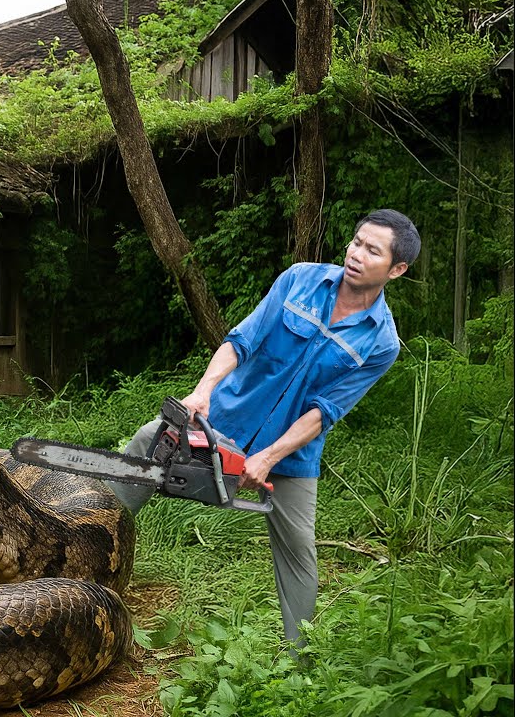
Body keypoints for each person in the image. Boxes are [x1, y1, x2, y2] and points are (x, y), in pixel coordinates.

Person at [116, 208, 420, 647]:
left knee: (299, 549)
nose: (356, 254)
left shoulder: (381, 342)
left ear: (396, 269)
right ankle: (86, 545)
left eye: (372, 251)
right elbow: (242, 339)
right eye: (356, 241)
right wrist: (203, 391)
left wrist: (269, 457)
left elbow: (325, 410)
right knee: (148, 440)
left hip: (292, 454)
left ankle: (300, 659)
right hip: (226, 417)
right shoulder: (300, 279)